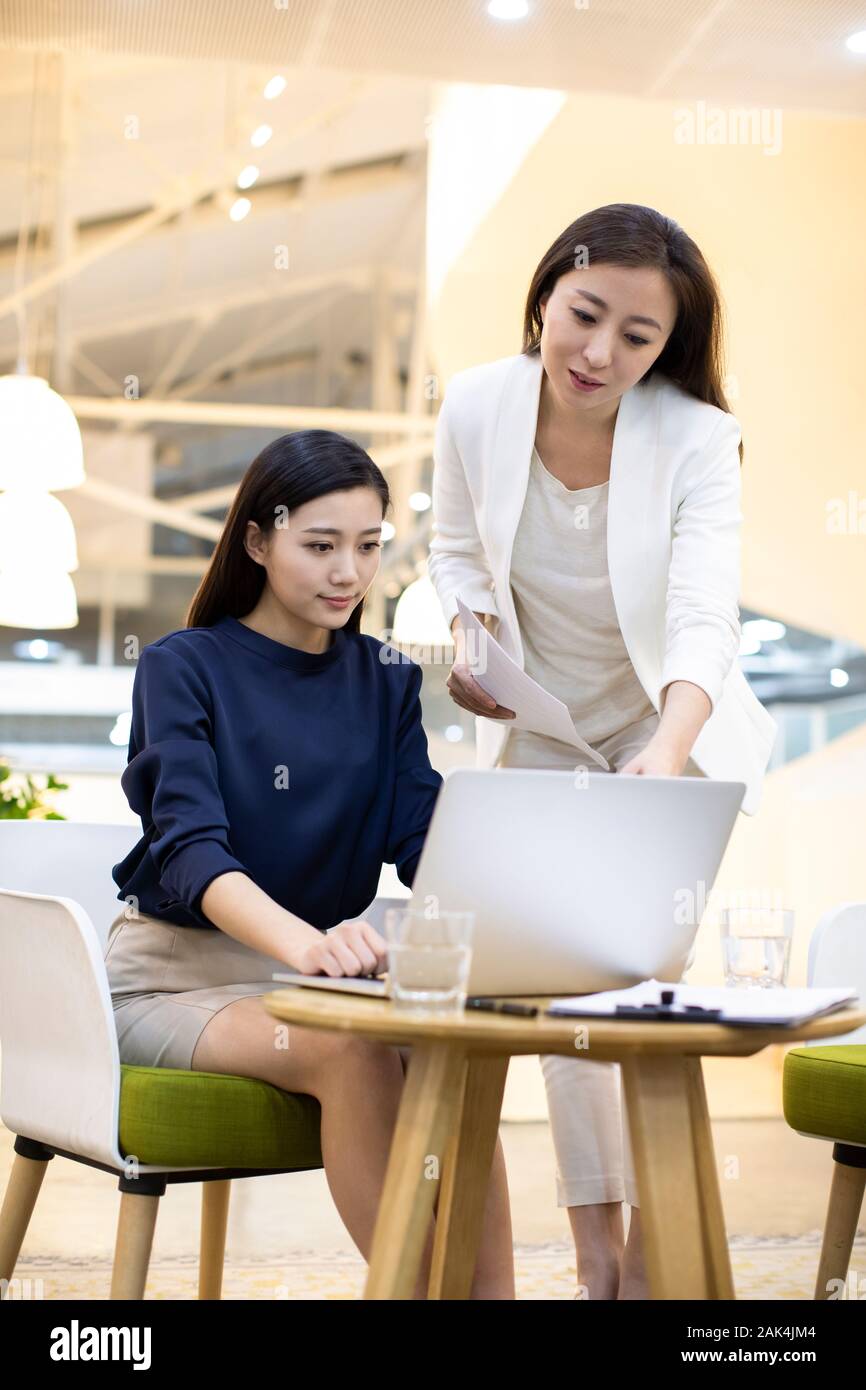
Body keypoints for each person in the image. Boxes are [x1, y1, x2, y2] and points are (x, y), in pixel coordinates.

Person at [427, 202, 778, 1299]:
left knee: (625, 984)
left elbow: (700, 615)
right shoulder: (477, 403)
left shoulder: (693, 436)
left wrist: (666, 752)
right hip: (537, 721)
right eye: (584, 316)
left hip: (652, 723)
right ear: (543, 297)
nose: (599, 353)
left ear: (667, 346)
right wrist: (468, 641)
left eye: (637, 336)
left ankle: (641, 1259)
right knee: (547, 982)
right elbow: (451, 551)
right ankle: (599, 1256)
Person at [106, 428, 515, 1299]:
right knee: (355, 1054)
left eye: (368, 547)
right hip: (176, 984)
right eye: (320, 545)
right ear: (257, 541)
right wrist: (306, 946)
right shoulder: (184, 667)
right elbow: (188, 848)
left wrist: (524, 898)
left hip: (314, 979)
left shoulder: (387, 679)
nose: (348, 573)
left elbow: (422, 835)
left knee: (462, 1056)